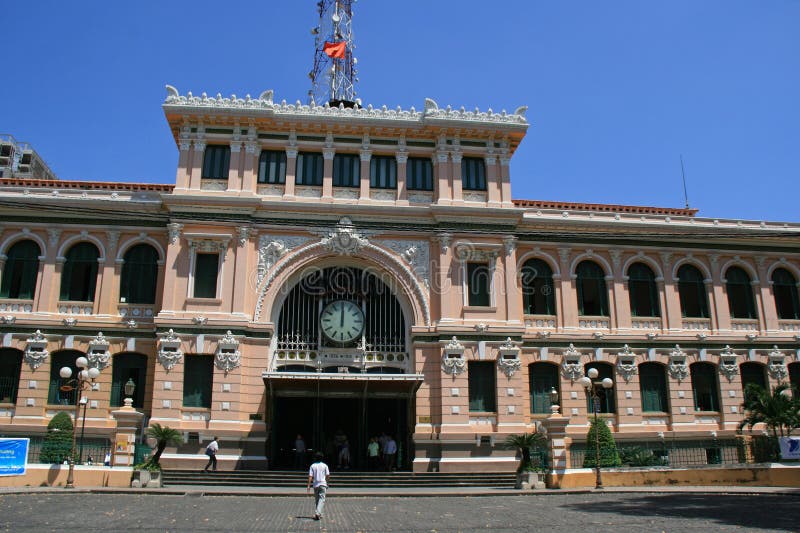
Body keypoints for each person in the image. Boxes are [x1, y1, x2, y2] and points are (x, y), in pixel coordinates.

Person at [307, 451, 330, 521]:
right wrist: (327, 482)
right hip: (323, 484)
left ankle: (319, 514)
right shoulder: (325, 465)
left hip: (315, 484)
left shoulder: (312, 465)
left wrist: (308, 485)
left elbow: (310, 476)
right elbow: (328, 475)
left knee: (317, 500)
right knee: (322, 499)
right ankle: (318, 513)